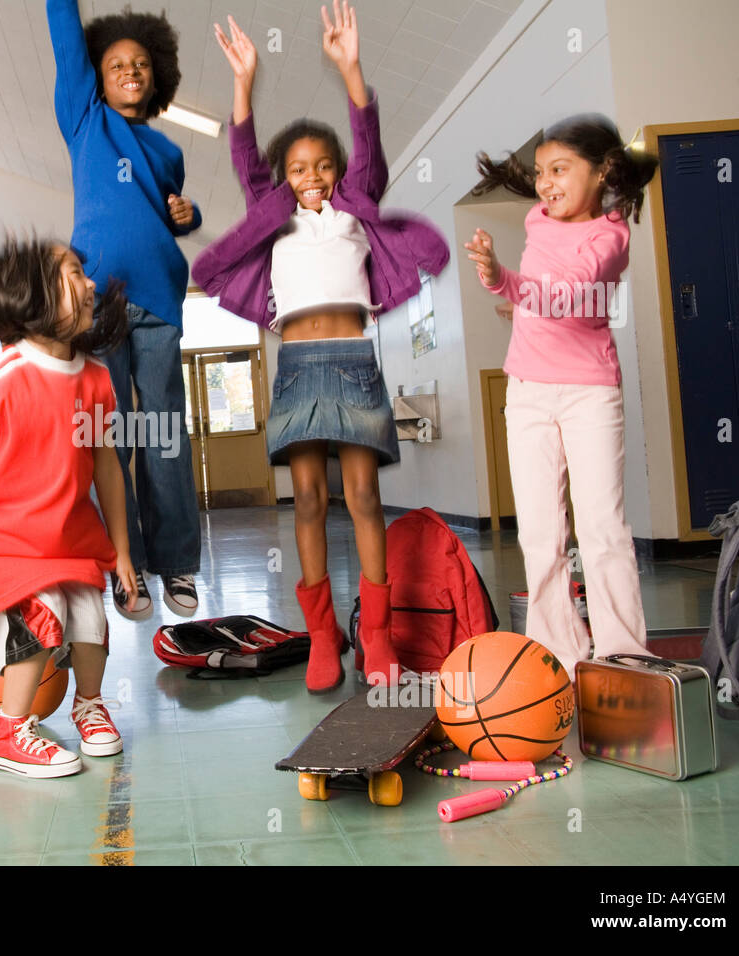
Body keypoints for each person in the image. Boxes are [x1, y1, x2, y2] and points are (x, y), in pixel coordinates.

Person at [192, 3, 449, 689]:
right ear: (283, 176)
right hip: (298, 367)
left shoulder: (354, 209)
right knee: (307, 500)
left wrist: (350, 67)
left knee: (362, 498)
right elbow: (244, 158)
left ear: (338, 171)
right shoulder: (272, 221)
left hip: (355, 361)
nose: (312, 176)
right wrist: (244, 81)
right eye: (298, 168)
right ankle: (323, 639)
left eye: (323, 165)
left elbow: (369, 140)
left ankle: (379, 636)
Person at [0, 230, 136, 778]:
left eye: (84, 271)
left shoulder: (96, 379)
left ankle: (90, 706)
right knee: (43, 616)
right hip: (8, 545)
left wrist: (121, 552)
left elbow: (107, 468)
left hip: (73, 539)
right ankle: (8, 732)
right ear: (34, 294)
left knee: (91, 622)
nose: (89, 281)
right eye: (73, 272)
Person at [466, 112, 659, 678]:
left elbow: (568, 296)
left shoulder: (611, 236)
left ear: (602, 172)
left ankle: (624, 656)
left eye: (560, 169)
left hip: (588, 395)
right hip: (526, 392)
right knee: (540, 536)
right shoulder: (535, 219)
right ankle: (560, 658)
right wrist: (505, 285)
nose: (546, 182)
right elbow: (538, 296)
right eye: (541, 171)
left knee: (602, 530)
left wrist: (505, 281)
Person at [46, 0, 203, 620]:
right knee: (111, 438)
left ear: (155, 76)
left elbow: (167, 213)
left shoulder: (167, 151)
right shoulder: (85, 118)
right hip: (99, 306)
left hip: (161, 302)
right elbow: (65, 41)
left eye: (141, 63)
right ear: (99, 76)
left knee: (163, 434)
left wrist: (190, 216)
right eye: (116, 64)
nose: (130, 70)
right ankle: (122, 562)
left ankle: (178, 565)